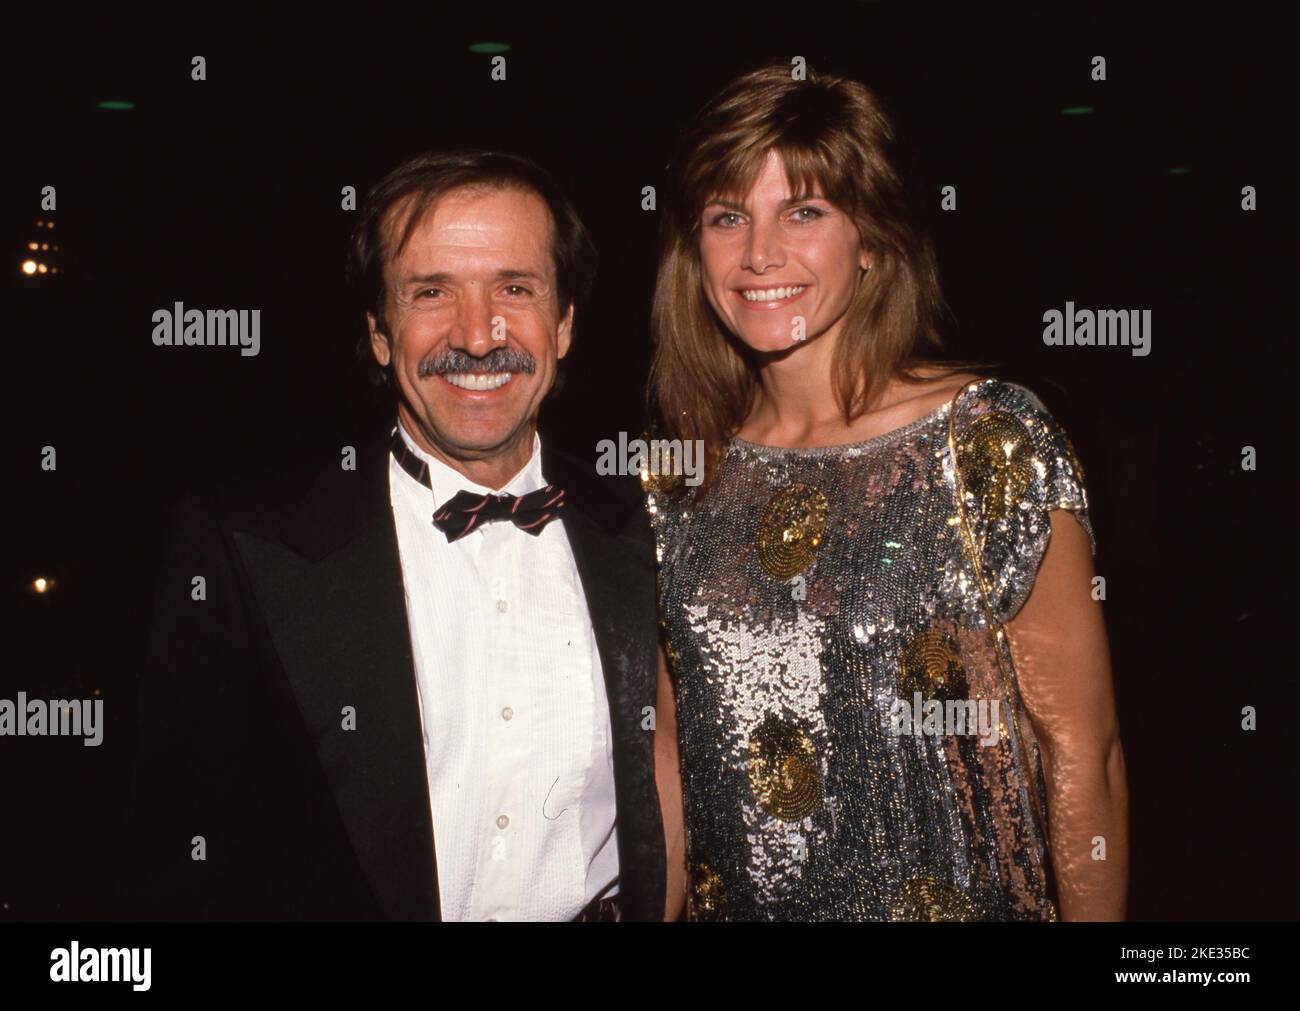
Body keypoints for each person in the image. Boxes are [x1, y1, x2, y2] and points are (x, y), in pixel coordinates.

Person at [117, 149, 666, 921]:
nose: (478, 336)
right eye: (431, 292)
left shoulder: (650, 534)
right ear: (380, 333)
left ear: (566, 323)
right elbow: (174, 878)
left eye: (515, 287)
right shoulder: (246, 547)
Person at [645, 65, 1128, 921]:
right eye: (728, 217)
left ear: (870, 237)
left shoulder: (987, 440)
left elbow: (1081, 752)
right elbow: (674, 763)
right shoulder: (677, 480)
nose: (760, 254)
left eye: (804, 211)